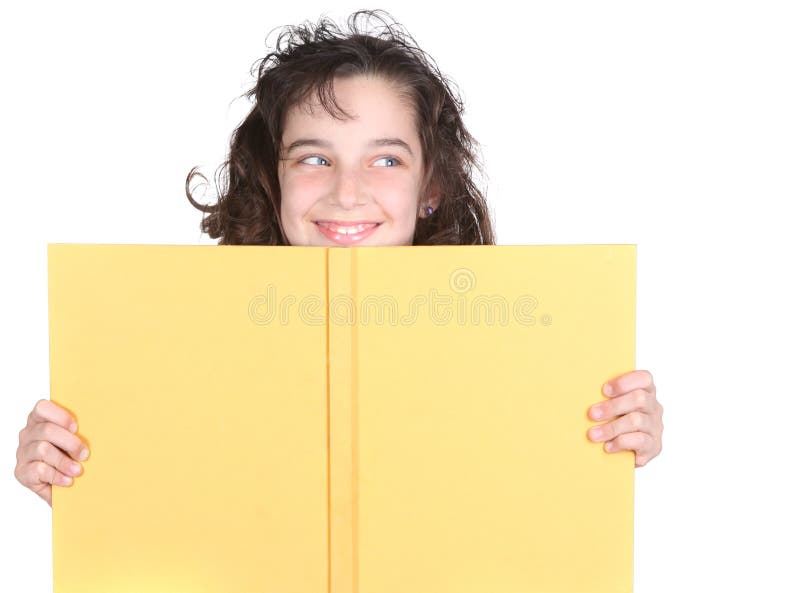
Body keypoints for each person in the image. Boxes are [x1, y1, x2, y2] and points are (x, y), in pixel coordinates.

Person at [14, 9, 664, 507]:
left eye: (385, 159)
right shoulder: (169, 343)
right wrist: (73, 475)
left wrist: (613, 444)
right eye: (314, 157)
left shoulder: (523, 342)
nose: (347, 191)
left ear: (430, 186)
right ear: (272, 175)